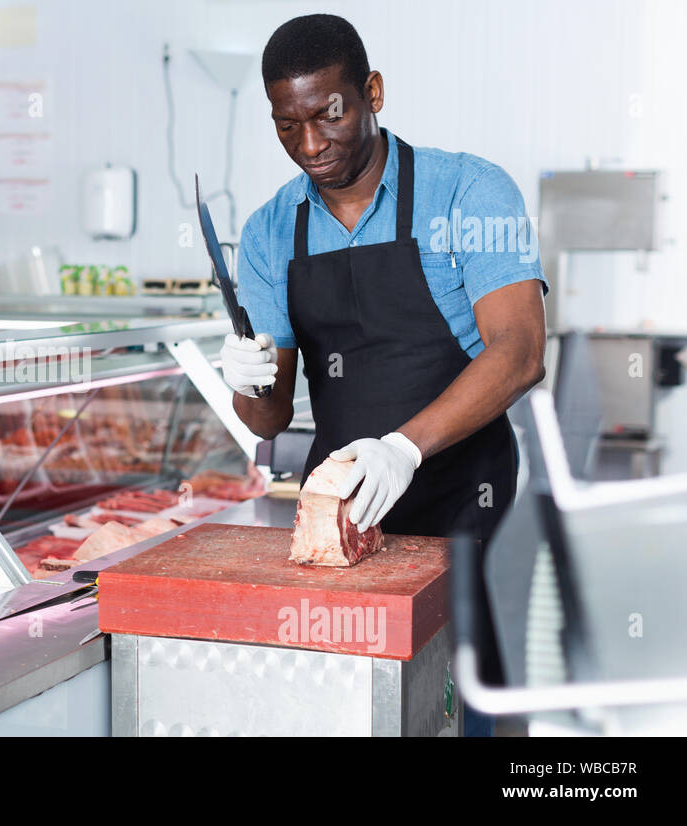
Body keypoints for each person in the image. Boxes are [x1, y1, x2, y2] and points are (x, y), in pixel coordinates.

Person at [220, 14, 548, 736]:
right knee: (348, 701)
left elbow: (520, 352)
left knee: (457, 693)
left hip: (465, 495)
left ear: (371, 91)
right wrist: (244, 377)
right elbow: (270, 419)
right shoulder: (272, 229)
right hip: (341, 509)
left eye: (329, 114)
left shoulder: (466, 192)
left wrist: (402, 449)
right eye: (287, 126)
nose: (311, 145)